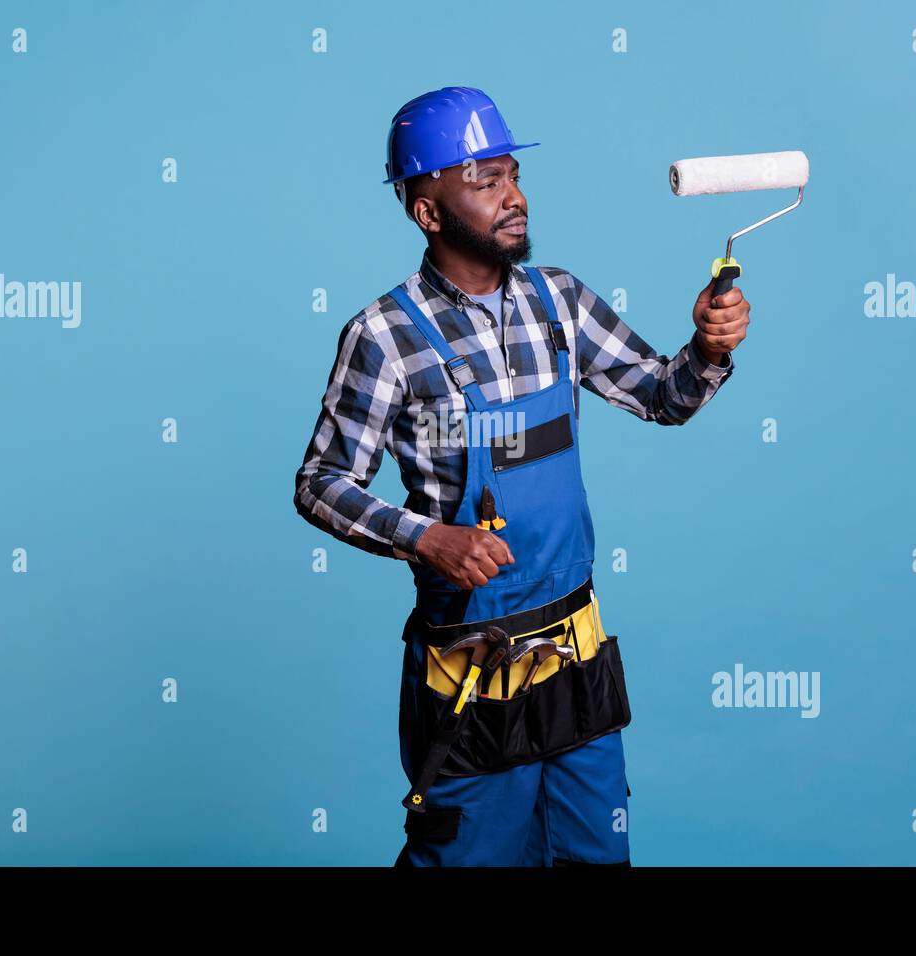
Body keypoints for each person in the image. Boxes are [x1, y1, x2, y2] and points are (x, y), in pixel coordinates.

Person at [293, 87, 749, 866]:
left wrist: (707, 349)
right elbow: (321, 481)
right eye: (485, 181)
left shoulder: (558, 301)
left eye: (511, 174)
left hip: (577, 666)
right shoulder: (384, 336)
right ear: (427, 212)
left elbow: (662, 397)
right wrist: (426, 537)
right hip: (469, 680)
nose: (513, 196)